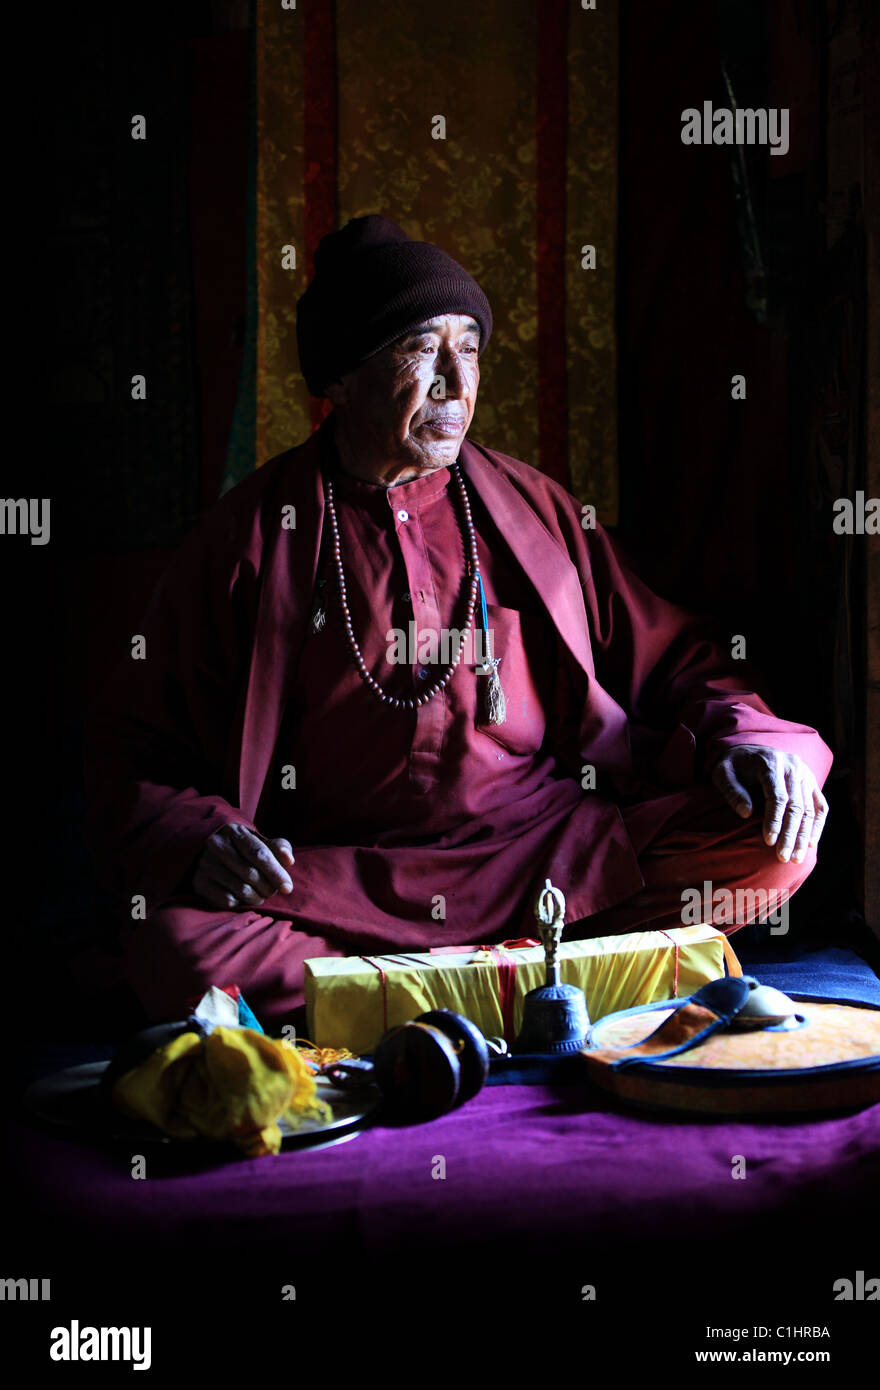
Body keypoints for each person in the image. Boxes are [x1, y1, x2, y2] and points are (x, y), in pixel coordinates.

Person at [85, 215, 831, 1029]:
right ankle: (536, 985)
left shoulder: (531, 509)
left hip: (542, 854)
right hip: (342, 879)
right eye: (418, 347)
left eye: (468, 346)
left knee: (771, 842)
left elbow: (676, 654)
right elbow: (135, 747)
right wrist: (204, 836)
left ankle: (405, 1001)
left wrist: (755, 739)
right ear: (339, 378)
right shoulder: (251, 537)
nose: (455, 382)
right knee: (179, 952)